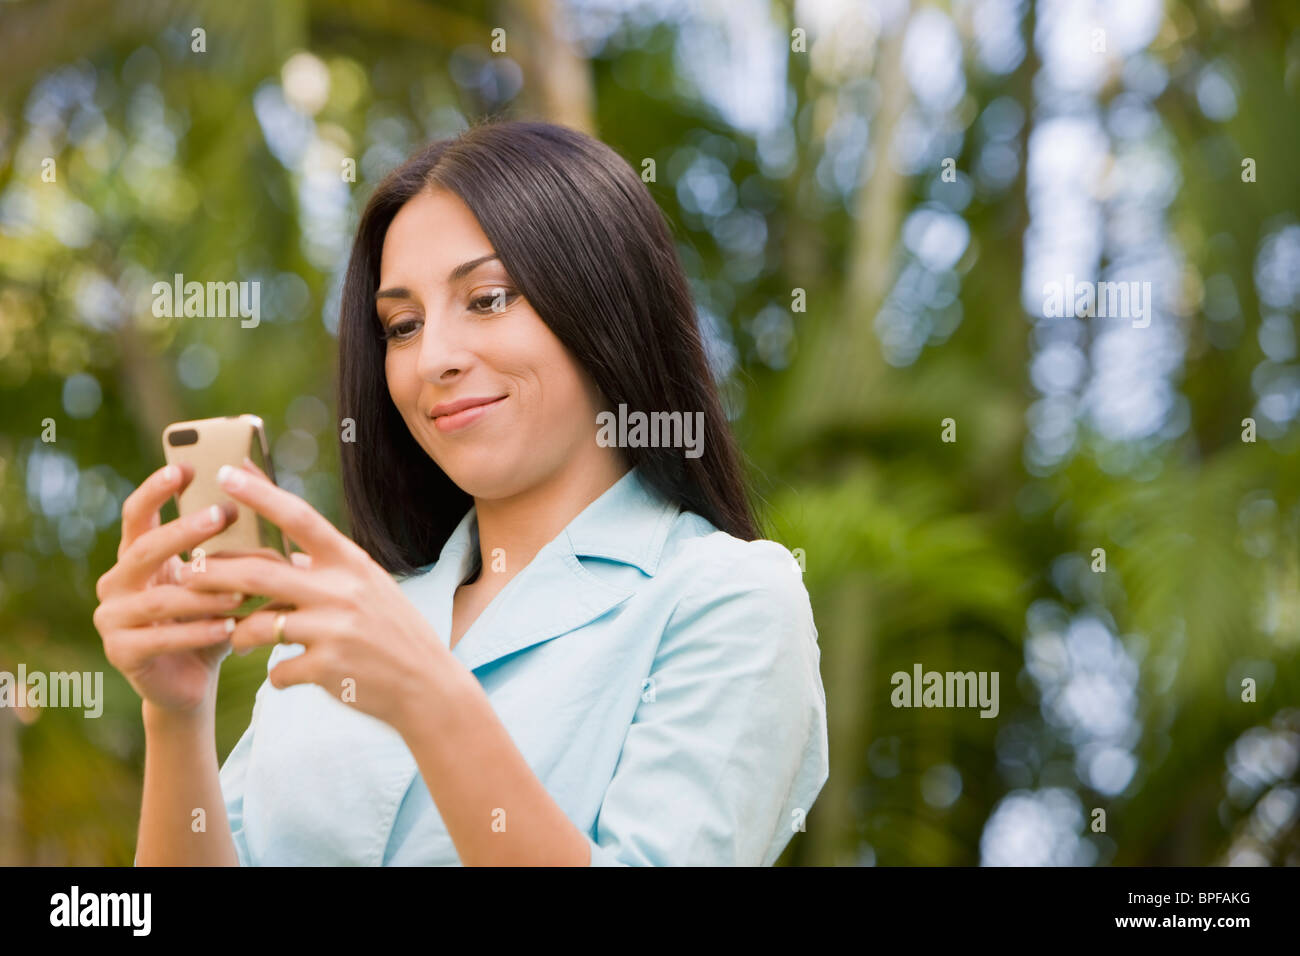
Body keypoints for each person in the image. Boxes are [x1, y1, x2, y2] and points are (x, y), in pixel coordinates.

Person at [93, 119, 829, 866]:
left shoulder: (726, 597)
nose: (432, 359)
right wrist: (177, 715)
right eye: (403, 325)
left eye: (487, 298)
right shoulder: (351, 618)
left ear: (605, 302)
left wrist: (430, 702)